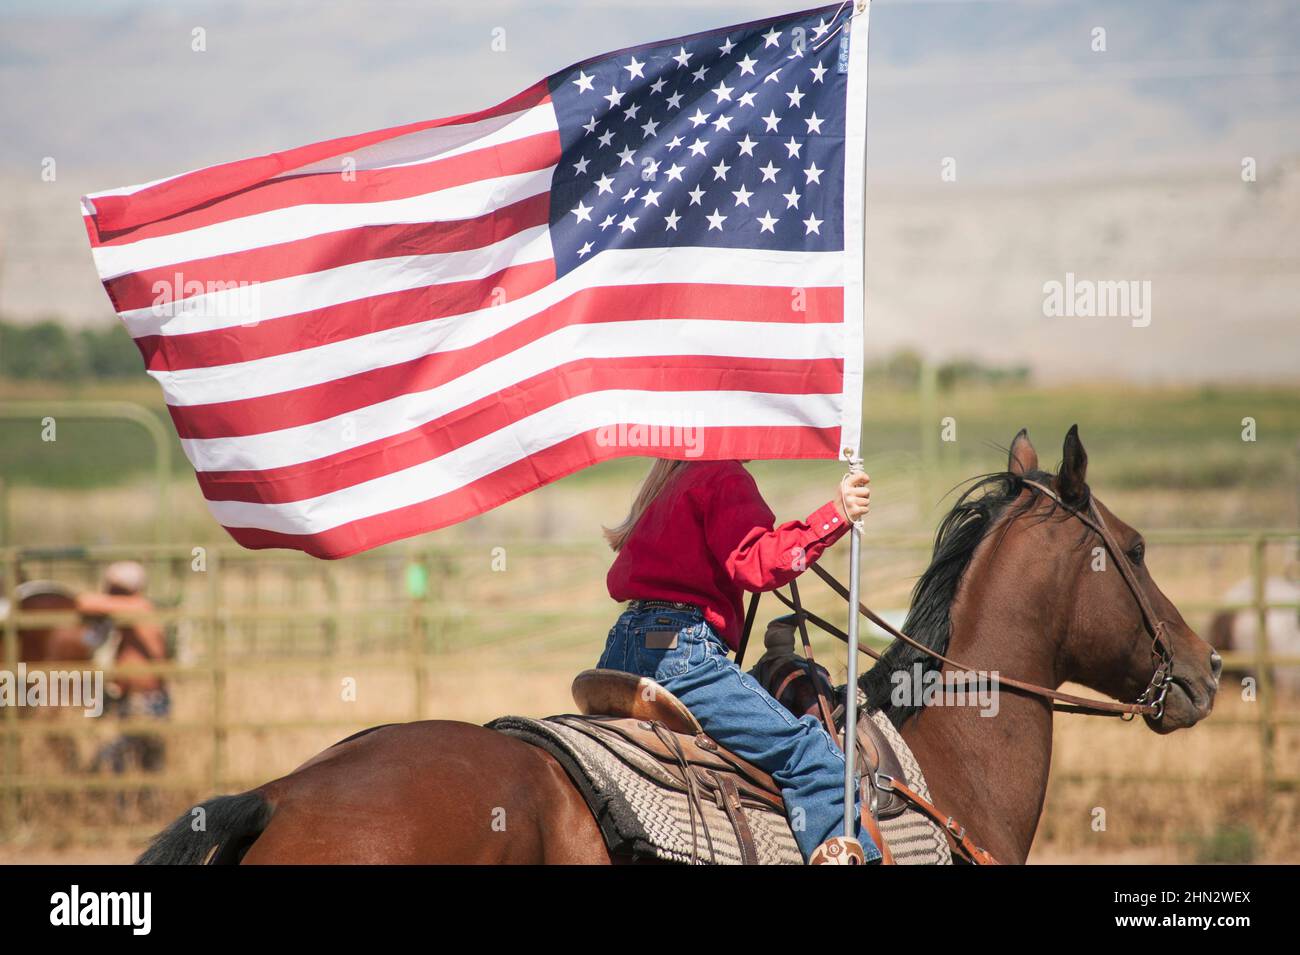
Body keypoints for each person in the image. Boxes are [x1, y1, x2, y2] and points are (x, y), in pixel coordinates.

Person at [601, 458, 875, 864]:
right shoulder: (723, 474)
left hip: (621, 649)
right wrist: (836, 515)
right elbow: (756, 563)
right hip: (681, 653)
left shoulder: (668, 479)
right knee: (811, 755)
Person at [77, 561, 170, 772]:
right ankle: (138, 800)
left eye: (112, 589)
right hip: (141, 698)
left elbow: (85, 602)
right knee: (143, 757)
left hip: (146, 699)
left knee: (127, 752)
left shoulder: (138, 607)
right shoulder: (134, 614)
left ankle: (111, 788)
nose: (107, 592)